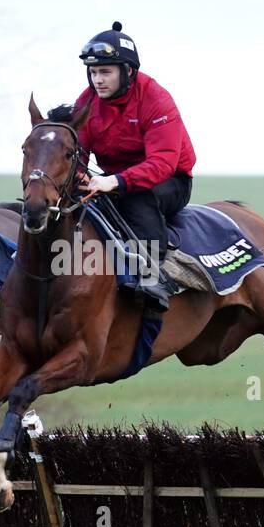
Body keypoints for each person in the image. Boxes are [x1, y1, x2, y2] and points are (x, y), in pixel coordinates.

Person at [71, 22, 196, 312]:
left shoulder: (156, 99)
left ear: (127, 71)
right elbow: (77, 152)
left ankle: (153, 278)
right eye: (93, 72)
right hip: (112, 179)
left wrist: (115, 182)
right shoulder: (87, 101)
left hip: (169, 180)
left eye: (105, 72)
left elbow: (162, 163)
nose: (97, 80)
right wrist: (78, 177)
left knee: (137, 197)